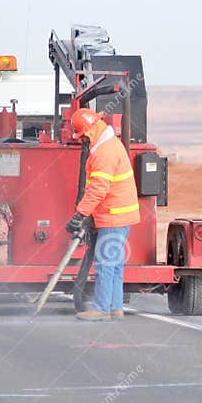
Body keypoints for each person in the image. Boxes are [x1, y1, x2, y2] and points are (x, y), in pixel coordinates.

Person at [65, 108, 140, 321]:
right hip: (118, 215)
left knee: (105, 263)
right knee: (114, 264)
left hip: (113, 215)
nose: (84, 141)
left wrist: (80, 214)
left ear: (88, 132)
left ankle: (101, 308)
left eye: (83, 137)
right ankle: (115, 307)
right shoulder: (108, 144)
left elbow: (98, 188)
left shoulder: (104, 152)